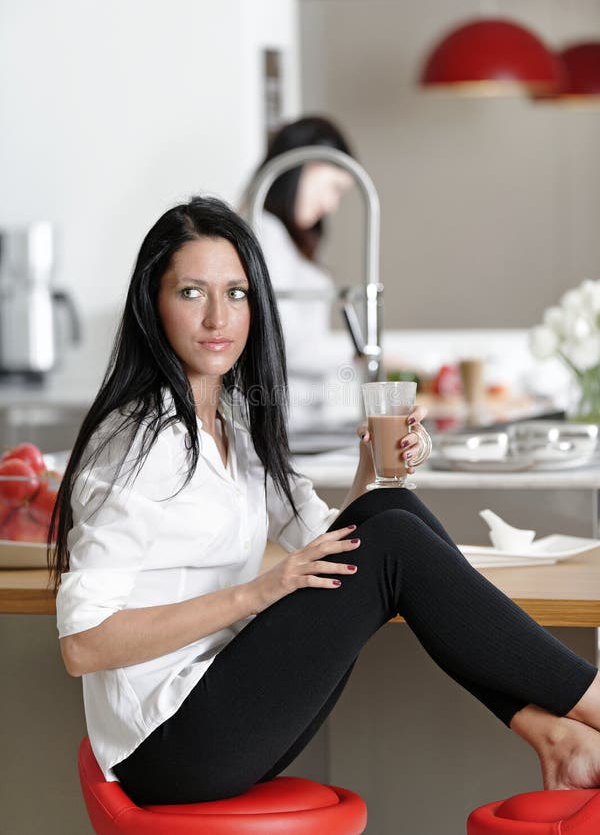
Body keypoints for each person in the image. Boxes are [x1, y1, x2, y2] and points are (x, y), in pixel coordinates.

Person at [51, 195, 600, 807]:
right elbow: (84, 644)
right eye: (191, 293)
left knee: (392, 515)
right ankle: (588, 710)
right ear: (153, 305)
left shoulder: (232, 419)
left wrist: (373, 467)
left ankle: (554, 736)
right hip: (170, 742)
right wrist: (259, 591)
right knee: (394, 538)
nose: (217, 318)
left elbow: (336, 536)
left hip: (225, 699)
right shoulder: (137, 442)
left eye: (235, 293)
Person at [244, 116, 356, 394]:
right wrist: (366, 353)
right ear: (307, 165)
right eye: (334, 187)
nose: (332, 205)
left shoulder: (282, 235)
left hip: (301, 414)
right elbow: (285, 342)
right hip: (283, 414)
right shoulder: (263, 230)